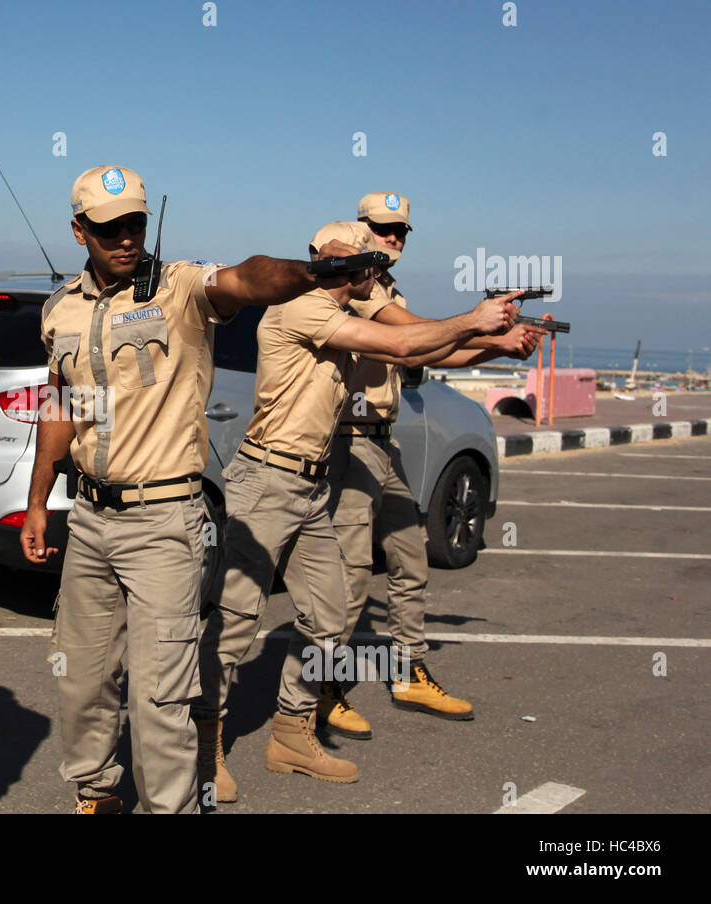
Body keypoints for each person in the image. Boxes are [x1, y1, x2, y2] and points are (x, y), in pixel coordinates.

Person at [18, 166, 361, 814]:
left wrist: (310, 274)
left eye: (135, 224)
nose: (125, 238)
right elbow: (62, 406)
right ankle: (97, 797)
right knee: (82, 682)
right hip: (89, 519)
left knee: (159, 700)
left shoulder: (180, 289)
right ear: (77, 231)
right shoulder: (60, 308)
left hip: (164, 525)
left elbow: (246, 278)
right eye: (107, 227)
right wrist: (39, 503)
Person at [194, 221, 519, 798]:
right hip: (268, 481)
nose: (357, 268)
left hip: (312, 488)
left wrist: (490, 341)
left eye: (362, 260)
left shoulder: (351, 319)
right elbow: (400, 343)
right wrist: (474, 319)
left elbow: (421, 346)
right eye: (343, 259)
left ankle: (292, 734)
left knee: (329, 618)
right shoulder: (303, 307)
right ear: (317, 261)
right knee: (237, 621)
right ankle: (204, 746)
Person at [304, 193, 543, 742]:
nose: (392, 239)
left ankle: (409, 670)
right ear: (360, 229)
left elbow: (436, 352)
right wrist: (484, 326)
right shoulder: (355, 285)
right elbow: (413, 343)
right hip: (350, 441)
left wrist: (499, 347)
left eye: (401, 231)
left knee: (411, 560)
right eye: (383, 228)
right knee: (352, 575)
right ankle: (323, 688)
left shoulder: (384, 287)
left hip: (380, 443)